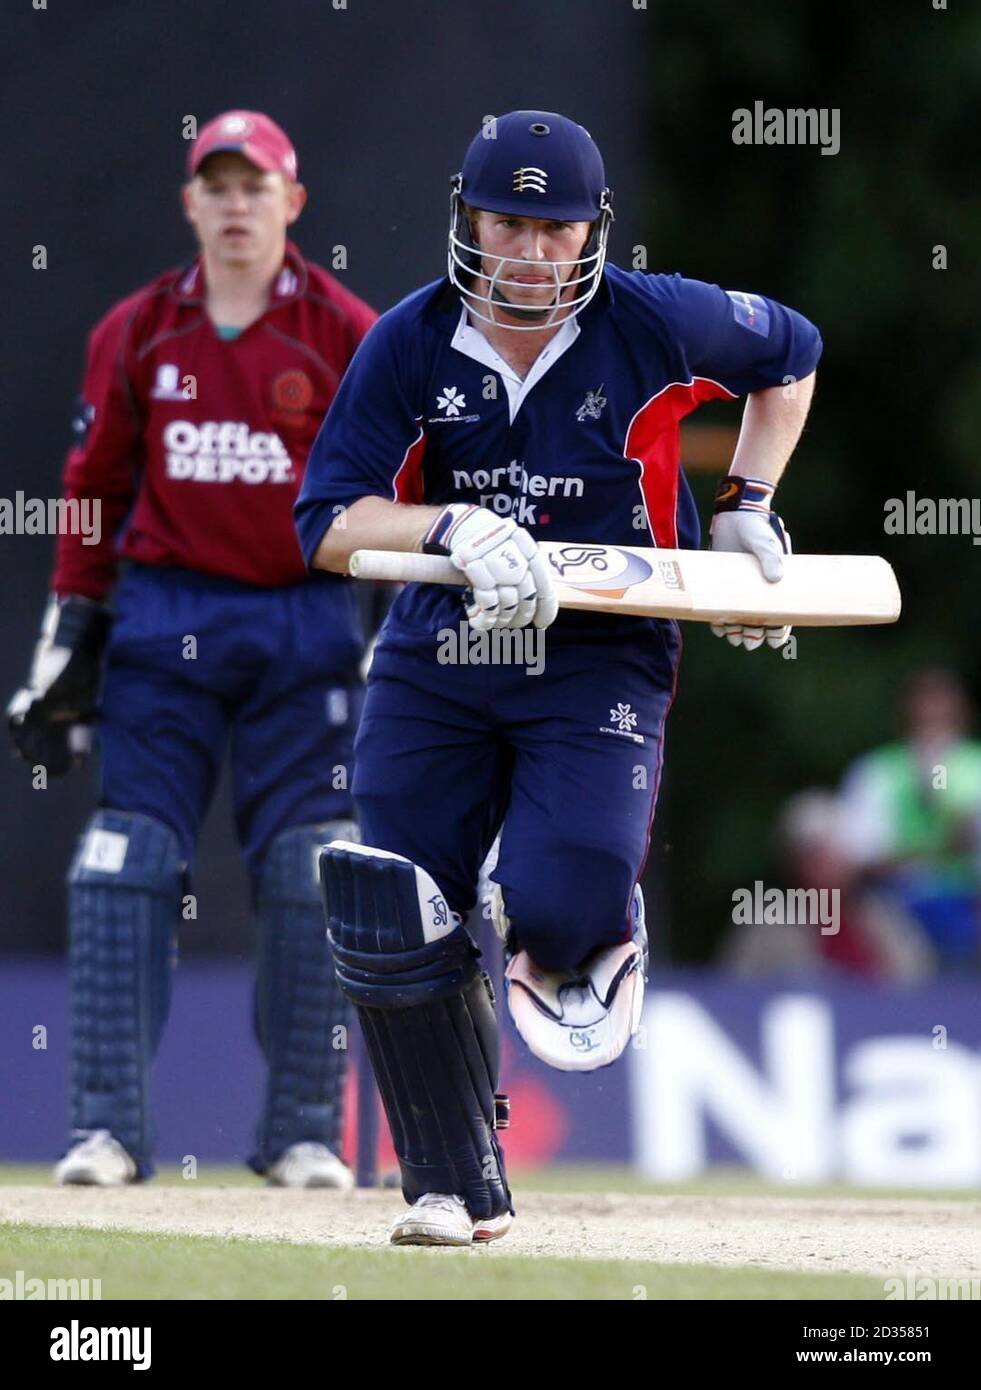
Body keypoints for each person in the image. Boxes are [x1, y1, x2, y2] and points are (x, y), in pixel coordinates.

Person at [295, 110, 822, 1243]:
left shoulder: (654, 319)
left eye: (555, 228)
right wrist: (451, 531)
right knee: (391, 891)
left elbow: (794, 352)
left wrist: (746, 511)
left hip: (600, 651)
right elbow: (329, 521)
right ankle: (448, 1182)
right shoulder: (411, 338)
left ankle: (573, 899)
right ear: (467, 218)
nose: (531, 252)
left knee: (563, 900)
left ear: (592, 233)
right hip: (449, 641)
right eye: (509, 222)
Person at [8, 110, 377, 1188]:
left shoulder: (346, 331)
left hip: (305, 615)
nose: (234, 206)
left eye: (253, 187)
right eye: (214, 186)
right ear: (189, 204)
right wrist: (65, 637)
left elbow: (394, 494)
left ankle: (304, 1130)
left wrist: (394, 637)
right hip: (164, 617)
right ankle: (108, 1130)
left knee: (315, 871)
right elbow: (92, 493)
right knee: (124, 861)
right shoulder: (137, 330)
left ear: (291, 203)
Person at [837, 669, 981, 971]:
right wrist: (933, 849)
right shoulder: (877, 771)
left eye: (942, 717)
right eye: (923, 717)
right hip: (895, 908)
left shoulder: (975, 767)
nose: (931, 727)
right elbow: (852, 858)